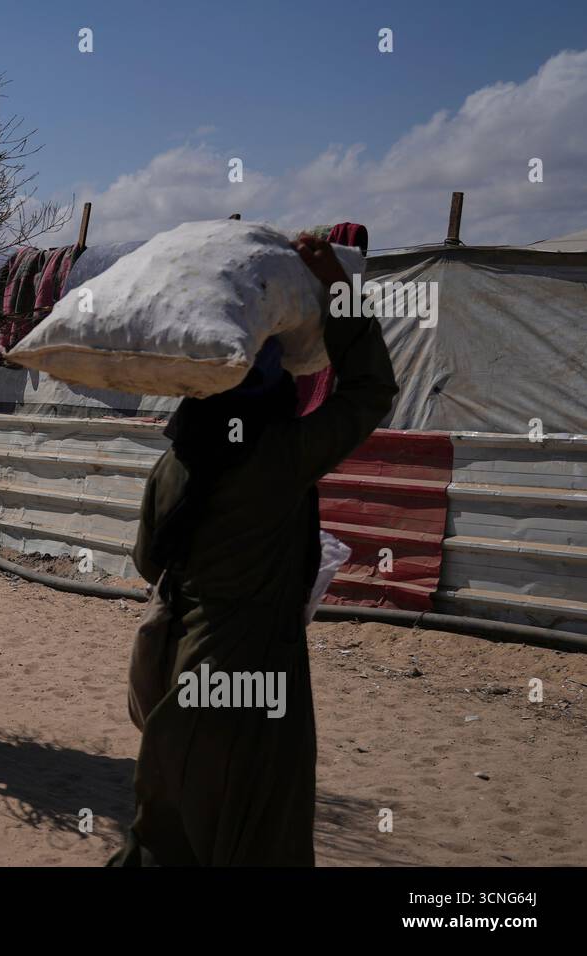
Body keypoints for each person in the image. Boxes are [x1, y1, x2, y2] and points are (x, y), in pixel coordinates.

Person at [110, 235, 399, 867]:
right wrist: (338, 288)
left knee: (168, 833)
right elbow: (371, 390)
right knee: (260, 828)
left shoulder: (173, 465)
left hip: (182, 673)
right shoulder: (282, 456)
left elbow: (149, 564)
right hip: (256, 673)